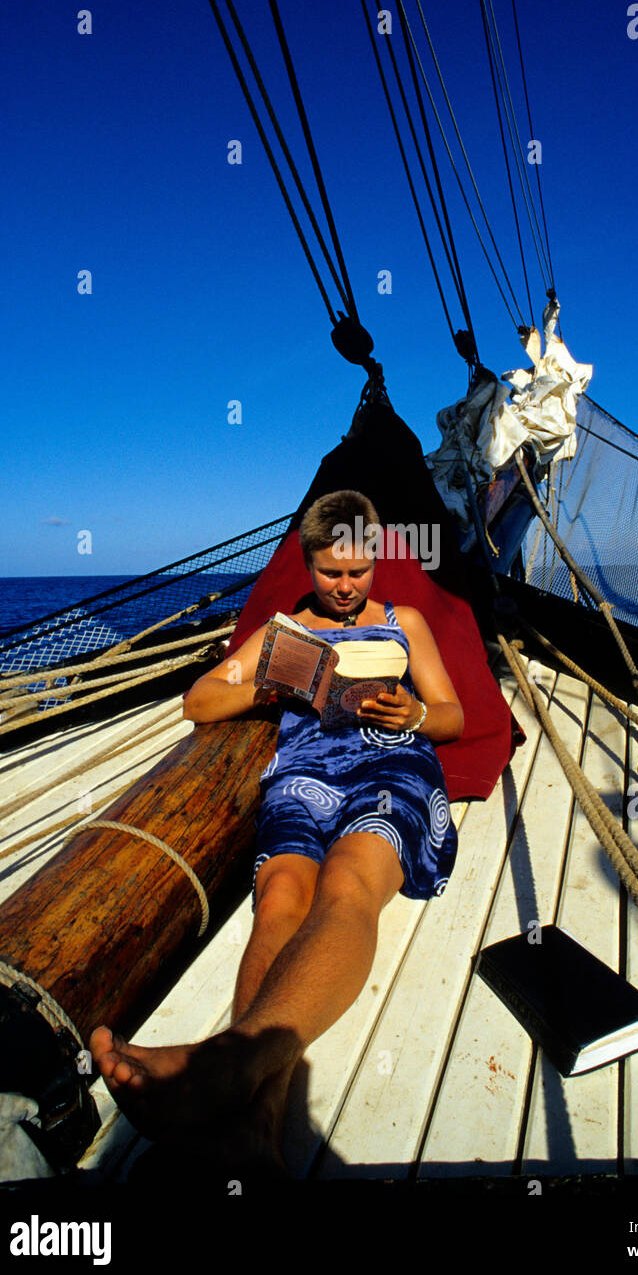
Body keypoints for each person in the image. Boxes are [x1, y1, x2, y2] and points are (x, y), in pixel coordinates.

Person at [89, 489, 463, 1176]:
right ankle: (256, 1122)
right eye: (330, 572)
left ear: (376, 559)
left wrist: (411, 709)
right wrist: (273, 685)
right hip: (307, 769)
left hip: (391, 766)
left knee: (346, 885)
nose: (345, 587)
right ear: (309, 563)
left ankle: (226, 1065)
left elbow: (453, 716)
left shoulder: (403, 622)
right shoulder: (286, 633)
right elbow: (198, 700)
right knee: (282, 894)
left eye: (357, 571)